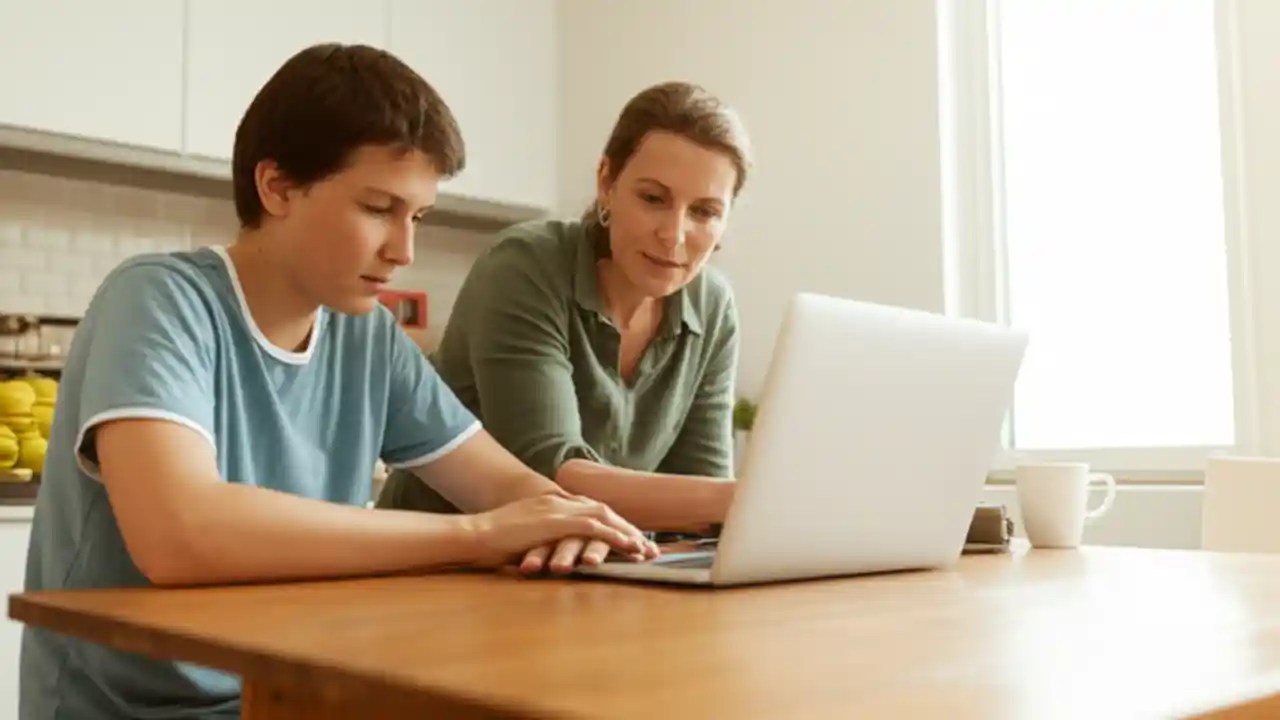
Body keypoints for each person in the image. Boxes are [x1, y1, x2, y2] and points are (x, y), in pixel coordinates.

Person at [19, 44, 656, 720]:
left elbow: (510, 489)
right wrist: (478, 534)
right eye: (378, 207)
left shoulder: (367, 335)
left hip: (294, 693)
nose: (403, 250)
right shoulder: (158, 299)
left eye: (417, 217)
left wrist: (577, 525)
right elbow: (179, 534)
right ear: (277, 187)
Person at [379, 81, 752, 535]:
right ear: (607, 183)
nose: (674, 235)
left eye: (705, 212)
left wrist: (741, 506)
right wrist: (746, 499)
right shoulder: (527, 265)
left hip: (587, 559)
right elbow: (548, 470)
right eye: (653, 199)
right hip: (439, 557)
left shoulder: (712, 307)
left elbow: (703, 489)